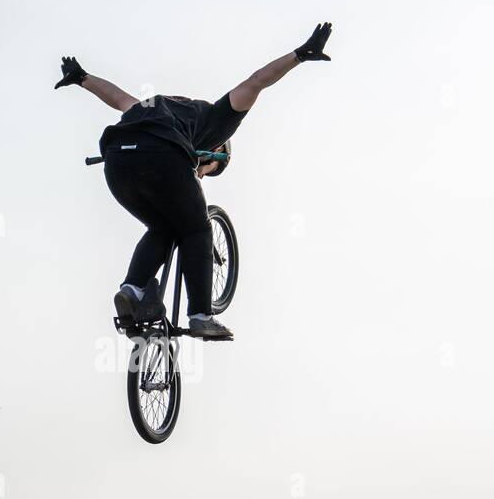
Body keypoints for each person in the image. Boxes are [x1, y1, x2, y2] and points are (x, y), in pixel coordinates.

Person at [56, 22, 333, 340]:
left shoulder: (152, 106)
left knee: (163, 226)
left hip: (117, 161)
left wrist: (82, 78)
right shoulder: (218, 119)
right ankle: (201, 313)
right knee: (197, 227)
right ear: (216, 151)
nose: (201, 173)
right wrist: (299, 55)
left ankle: (132, 289)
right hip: (162, 157)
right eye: (208, 168)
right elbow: (257, 81)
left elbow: (117, 98)